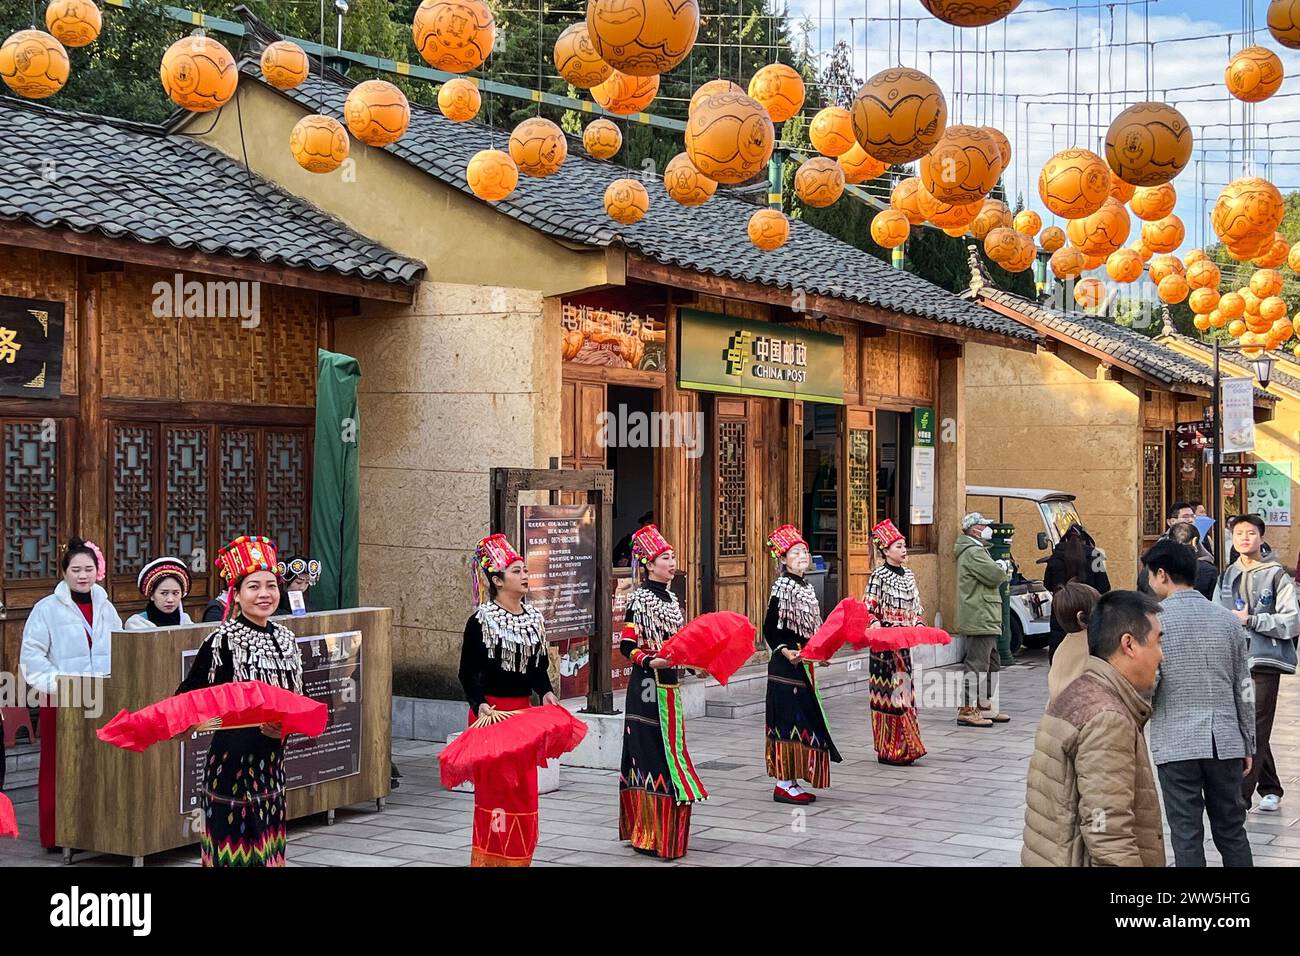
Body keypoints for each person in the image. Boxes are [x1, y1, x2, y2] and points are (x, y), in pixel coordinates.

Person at [176, 535, 303, 867]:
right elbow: (188, 694)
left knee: (269, 852)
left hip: (271, 766)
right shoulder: (223, 640)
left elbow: (297, 702)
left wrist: (286, 727)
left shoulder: (287, 639)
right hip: (229, 765)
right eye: (254, 586)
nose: (264, 594)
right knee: (231, 855)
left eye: (271, 585)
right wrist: (193, 721)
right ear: (237, 592)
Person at [1022, 590, 1167, 867]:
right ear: (1129, 645)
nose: (1161, 655)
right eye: (1157, 642)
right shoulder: (1106, 718)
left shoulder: (1079, 692)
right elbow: (1107, 830)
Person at [1143, 539, 1254, 867]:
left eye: (1150, 574)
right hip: (1226, 743)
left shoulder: (1154, 623)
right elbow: (1244, 687)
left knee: (1186, 833)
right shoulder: (1228, 621)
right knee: (1233, 830)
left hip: (1177, 744)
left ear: (1162, 575)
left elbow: (1150, 683)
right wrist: (1248, 740)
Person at [457, 533, 558, 867]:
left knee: (524, 791)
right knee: (496, 793)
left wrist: (546, 692)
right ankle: (490, 859)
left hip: (522, 717)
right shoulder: (480, 621)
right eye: (516, 571)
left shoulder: (534, 620)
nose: (525, 575)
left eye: (525, 570)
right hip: (493, 716)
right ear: (497, 580)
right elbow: (467, 672)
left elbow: (537, 669)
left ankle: (520, 858)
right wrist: (479, 703)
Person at [21, 537, 121, 850]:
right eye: (76, 569)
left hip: (101, 697)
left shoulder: (106, 606)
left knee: (99, 766)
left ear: (97, 571)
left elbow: (120, 646)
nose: (82, 575)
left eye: (88, 569)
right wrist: (61, 685)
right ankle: (56, 834)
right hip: (62, 699)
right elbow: (32, 656)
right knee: (60, 766)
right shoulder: (46, 609)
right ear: (64, 572)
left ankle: (95, 831)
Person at [618, 524, 707, 859]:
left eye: (671, 557)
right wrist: (649, 661)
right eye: (665, 558)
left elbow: (680, 644)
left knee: (672, 751)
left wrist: (696, 662)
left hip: (670, 686)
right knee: (649, 753)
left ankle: (663, 831)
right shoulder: (639, 599)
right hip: (645, 688)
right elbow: (627, 644)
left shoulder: (671, 598)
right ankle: (647, 832)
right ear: (648, 564)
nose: (672, 563)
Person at [1217, 514, 1298, 813]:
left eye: (1250, 533)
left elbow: (1292, 620)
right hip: (1233, 660)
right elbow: (1217, 612)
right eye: (1238, 533)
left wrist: (1253, 620)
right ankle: (1271, 787)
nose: (1244, 538)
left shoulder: (1277, 575)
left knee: (1255, 725)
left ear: (1261, 538)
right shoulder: (1227, 575)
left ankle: (1240, 799)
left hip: (1264, 661)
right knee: (1247, 725)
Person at [763, 524, 841, 801]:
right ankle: (784, 782)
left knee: (804, 718)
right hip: (786, 665)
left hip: (803, 661)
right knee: (788, 721)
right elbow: (770, 629)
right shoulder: (783, 586)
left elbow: (810, 630)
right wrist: (784, 650)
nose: (802, 556)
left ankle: (793, 778)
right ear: (782, 559)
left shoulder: (806, 586)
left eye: (804, 551)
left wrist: (819, 652)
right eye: (795, 552)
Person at [862, 519, 927, 765]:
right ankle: (889, 749)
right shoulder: (878, 575)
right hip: (884, 645)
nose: (903, 549)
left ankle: (909, 745)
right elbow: (868, 607)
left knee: (905, 692)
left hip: (903, 642)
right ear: (886, 551)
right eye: (898, 546)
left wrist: (918, 622)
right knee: (887, 695)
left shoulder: (909, 575)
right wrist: (875, 623)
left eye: (904, 545)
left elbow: (916, 605)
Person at [954, 512, 1010, 727]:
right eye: (984, 525)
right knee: (977, 663)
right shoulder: (973, 552)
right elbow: (995, 576)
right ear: (974, 529)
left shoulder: (978, 550)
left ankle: (985, 705)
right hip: (979, 614)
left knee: (992, 662)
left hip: (986, 614)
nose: (988, 528)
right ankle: (967, 708)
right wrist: (1001, 568)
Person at [1044, 523, 1111, 658]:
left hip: (1061, 607)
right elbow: (1104, 586)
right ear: (1085, 539)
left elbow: (1048, 584)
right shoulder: (1094, 555)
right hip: (1088, 607)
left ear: (1066, 539)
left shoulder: (1056, 556)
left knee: (1059, 642)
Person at [1046, 582, 1100, 704]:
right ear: (1081, 618)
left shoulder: (1064, 645)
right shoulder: (1092, 645)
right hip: (1081, 713)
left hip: (1056, 713)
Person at [124, 557, 194, 630]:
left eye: (175, 593)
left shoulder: (185, 621)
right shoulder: (138, 623)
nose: (170, 599)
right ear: (152, 595)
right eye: (164, 593)